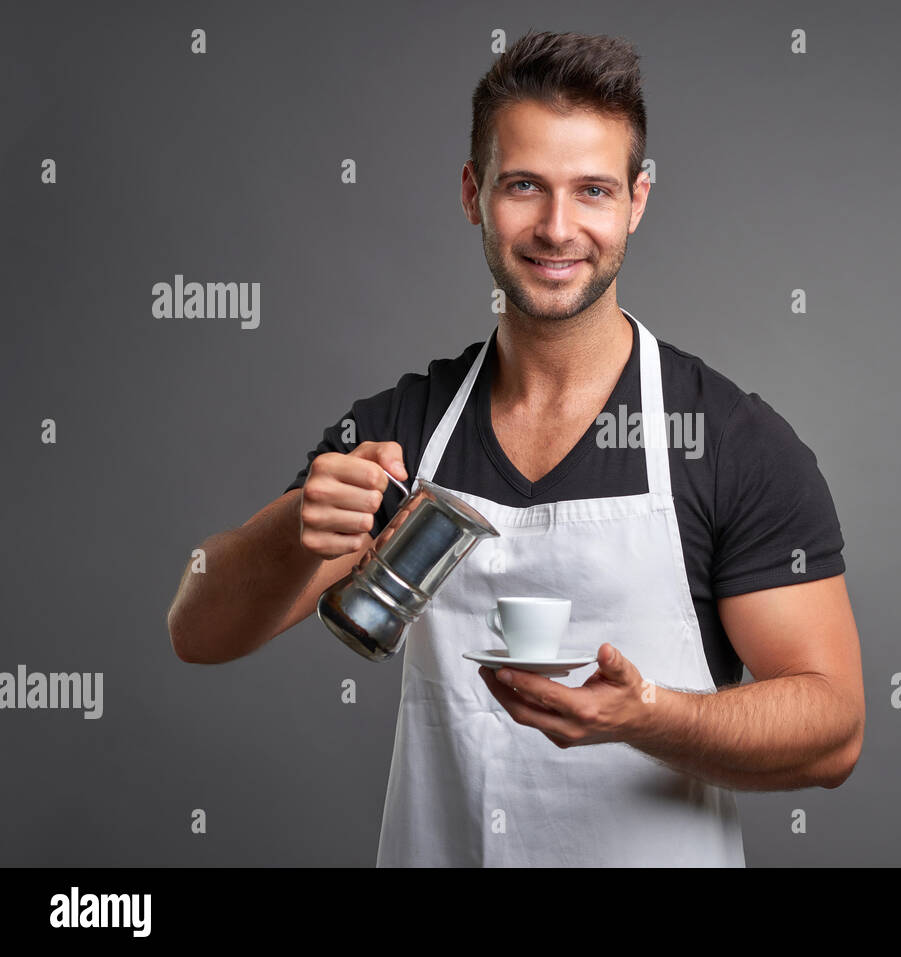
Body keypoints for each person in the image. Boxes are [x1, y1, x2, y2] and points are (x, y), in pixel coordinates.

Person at [167, 29, 864, 867]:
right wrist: (295, 529)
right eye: (525, 185)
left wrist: (648, 716)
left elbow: (833, 732)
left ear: (638, 201)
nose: (557, 228)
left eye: (594, 191)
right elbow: (197, 630)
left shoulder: (728, 441)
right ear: (473, 192)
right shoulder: (406, 430)